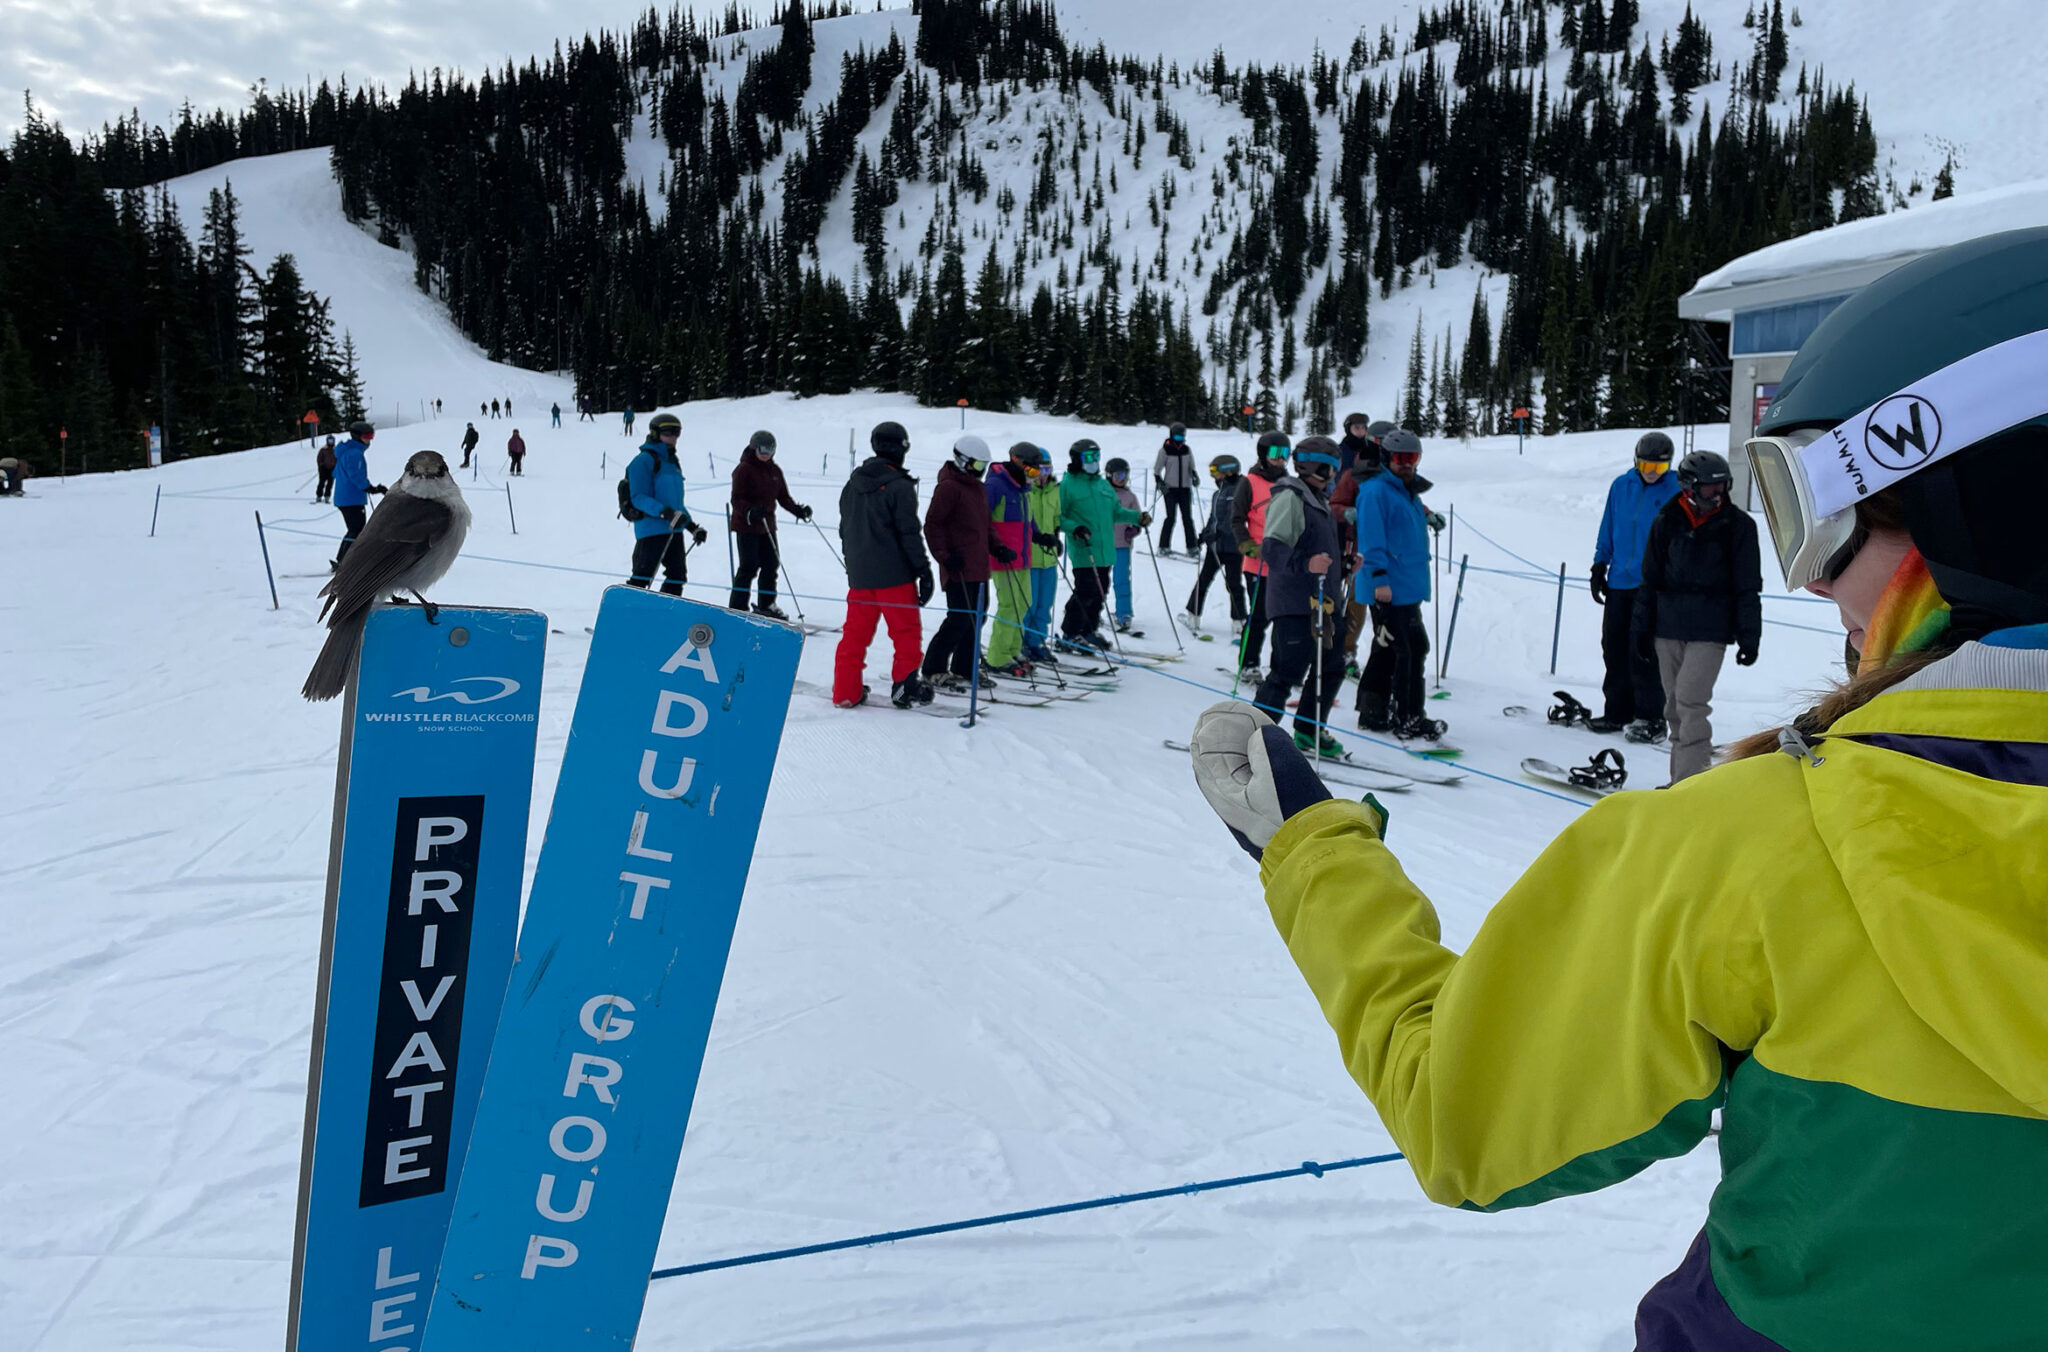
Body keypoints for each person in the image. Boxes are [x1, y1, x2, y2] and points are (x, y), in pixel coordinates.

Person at [1191, 226, 2048, 1352]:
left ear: (1972, 507)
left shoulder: (1755, 844)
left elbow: (1467, 1116)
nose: (1811, 581)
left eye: (1815, 516)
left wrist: (1309, 853)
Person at [1633, 450, 1762, 783]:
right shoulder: (1667, 520)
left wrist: (1750, 635)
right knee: (1674, 708)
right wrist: (1641, 629)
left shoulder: (1739, 526)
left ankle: (1689, 786)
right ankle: (1684, 781)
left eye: (1722, 487)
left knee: (1691, 703)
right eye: (1709, 488)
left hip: (1710, 630)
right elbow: (1650, 579)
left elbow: (1747, 586)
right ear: (1689, 487)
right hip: (1668, 628)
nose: (1717, 494)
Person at [1250, 436, 1352, 757]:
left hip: (1324, 601)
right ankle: (1254, 738)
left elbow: (1316, 550)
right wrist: (1307, 563)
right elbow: (1273, 550)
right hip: (1295, 603)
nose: (1335, 474)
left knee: (1333, 666)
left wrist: (1345, 565)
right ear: (1314, 466)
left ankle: (1309, 730)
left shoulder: (1318, 500)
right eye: (1331, 467)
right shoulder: (1290, 497)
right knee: (1287, 672)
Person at [834, 421, 935, 709]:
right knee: (905, 634)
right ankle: (904, 688)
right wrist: (923, 570)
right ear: (899, 449)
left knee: (854, 636)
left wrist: (852, 564)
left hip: (861, 575)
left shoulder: (852, 484)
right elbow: (909, 533)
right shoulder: (899, 486)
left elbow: (845, 529)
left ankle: (845, 691)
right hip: (895, 577)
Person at [1589, 432, 1684, 738]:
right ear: (1636, 461)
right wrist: (1599, 564)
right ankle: (1617, 712)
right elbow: (1609, 526)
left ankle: (1650, 718)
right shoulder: (1621, 486)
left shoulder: (1678, 491)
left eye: (1658, 467)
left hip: (1653, 585)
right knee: (1613, 647)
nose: (1651, 472)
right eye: (1646, 466)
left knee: (1643, 652)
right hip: (1619, 581)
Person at [1353, 429, 1444, 740]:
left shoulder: (1408, 492)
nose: (1407, 464)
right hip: (1388, 587)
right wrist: (1379, 578)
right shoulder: (1376, 491)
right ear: (1387, 459)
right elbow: (1371, 538)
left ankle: (1374, 710)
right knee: (1408, 649)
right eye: (1400, 458)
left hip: (1407, 585)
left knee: (1391, 649)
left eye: (1412, 458)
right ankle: (1408, 715)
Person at [921, 435, 1003, 691]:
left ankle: (964, 667)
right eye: (978, 466)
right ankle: (933, 668)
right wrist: (945, 556)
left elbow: (984, 525)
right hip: (958, 566)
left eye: (984, 467)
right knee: (959, 618)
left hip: (978, 566)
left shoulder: (977, 488)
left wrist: (997, 546)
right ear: (962, 461)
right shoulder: (948, 488)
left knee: (976, 617)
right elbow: (933, 525)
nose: (981, 472)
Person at [1058, 439, 1146, 653]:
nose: (1094, 462)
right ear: (1077, 459)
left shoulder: (1102, 484)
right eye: (1089, 457)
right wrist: (1075, 527)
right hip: (1084, 549)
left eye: (1097, 456)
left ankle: (1088, 629)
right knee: (1085, 591)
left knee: (1100, 592)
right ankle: (1070, 633)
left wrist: (1137, 517)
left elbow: (1116, 512)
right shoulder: (1068, 485)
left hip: (1105, 551)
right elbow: (1058, 516)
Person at [726, 429, 811, 619]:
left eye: (770, 450)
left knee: (771, 564)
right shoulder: (743, 469)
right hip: (747, 525)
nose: (766, 454)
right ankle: (737, 607)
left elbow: (783, 497)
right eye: (763, 449)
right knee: (749, 566)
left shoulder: (774, 471)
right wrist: (749, 511)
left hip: (767, 526)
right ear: (754, 448)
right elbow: (737, 499)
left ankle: (767, 604)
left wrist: (798, 510)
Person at [1231, 431, 1291, 680]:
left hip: (1283, 564)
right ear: (1263, 455)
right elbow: (1236, 519)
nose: (1281, 460)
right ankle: (1249, 663)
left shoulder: (1289, 483)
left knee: (1283, 617)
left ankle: (1281, 666)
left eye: (1285, 454)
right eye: (1276, 454)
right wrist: (1247, 544)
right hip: (1258, 562)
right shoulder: (1250, 482)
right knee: (1259, 616)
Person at [624, 411, 705, 595]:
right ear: (655, 433)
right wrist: (665, 513)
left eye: (677, 432)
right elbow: (638, 497)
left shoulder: (672, 463)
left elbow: (677, 503)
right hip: (651, 528)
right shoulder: (643, 461)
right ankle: (627, 617)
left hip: (673, 529)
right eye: (668, 432)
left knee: (677, 576)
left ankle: (664, 615)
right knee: (642, 577)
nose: (674, 437)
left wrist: (692, 527)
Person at [1329, 420, 1389, 668]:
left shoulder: (1395, 471)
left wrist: (1425, 514)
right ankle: (1344, 651)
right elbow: (1334, 505)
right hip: (1357, 547)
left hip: (1388, 550)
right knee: (1356, 601)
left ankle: (1386, 655)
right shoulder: (1356, 471)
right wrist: (1348, 513)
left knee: (1385, 605)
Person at [983, 443, 1043, 677]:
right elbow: (982, 519)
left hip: (1023, 557)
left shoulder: (1022, 487)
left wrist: (1039, 535)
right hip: (1003, 558)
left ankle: (1012, 649)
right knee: (1009, 606)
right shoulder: (996, 485)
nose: (1033, 474)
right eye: (1031, 469)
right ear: (1017, 461)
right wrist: (995, 547)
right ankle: (997, 658)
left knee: (1024, 603)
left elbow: (1028, 520)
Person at [1184, 454, 1247, 635]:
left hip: (1234, 547)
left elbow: (1235, 520)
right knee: (1204, 579)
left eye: (1215, 471)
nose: (1213, 476)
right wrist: (1204, 534)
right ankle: (1193, 614)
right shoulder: (1217, 494)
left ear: (1228, 471)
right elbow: (1214, 518)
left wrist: (1218, 532)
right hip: (1216, 547)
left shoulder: (1240, 491)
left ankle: (1238, 619)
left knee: (1233, 583)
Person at [1022, 447, 1064, 662]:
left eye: (1047, 469)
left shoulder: (1054, 491)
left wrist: (1057, 538)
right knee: (1028, 603)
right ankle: (1020, 641)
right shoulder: (1026, 491)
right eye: (1040, 469)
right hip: (1029, 558)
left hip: (1048, 558)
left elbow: (1057, 518)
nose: (1043, 474)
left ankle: (1036, 641)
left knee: (1044, 604)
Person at [330, 421, 387, 568]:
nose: (370, 440)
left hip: (347, 498)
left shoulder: (347, 452)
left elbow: (337, 473)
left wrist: (369, 488)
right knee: (357, 530)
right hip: (351, 499)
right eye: (367, 436)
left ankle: (343, 560)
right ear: (357, 436)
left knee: (355, 529)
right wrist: (369, 488)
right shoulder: (354, 454)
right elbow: (355, 475)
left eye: (371, 435)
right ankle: (344, 562)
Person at [1106, 457, 1143, 632]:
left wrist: (1135, 528)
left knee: (1121, 580)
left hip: (1121, 544)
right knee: (1098, 580)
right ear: (1109, 475)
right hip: (1102, 544)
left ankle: (1124, 613)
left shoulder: (1129, 496)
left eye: (1125, 475)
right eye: (1118, 475)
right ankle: (1092, 612)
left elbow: (1137, 516)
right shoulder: (1103, 492)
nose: (1122, 478)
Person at [1152, 423, 1199, 553]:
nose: (1180, 440)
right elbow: (1157, 470)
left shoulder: (1186, 450)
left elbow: (1192, 467)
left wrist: (1194, 476)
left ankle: (1192, 547)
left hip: (1184, 489)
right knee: (1170, 517)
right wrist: (1160, 482)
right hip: (1170, 489)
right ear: (1172, 436)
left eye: (1182, 437)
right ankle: (1163, 546)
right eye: (1177, 437)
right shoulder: (1165, 450)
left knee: (1187, 518)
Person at [315, 435, 337, 503]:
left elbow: (338, 459)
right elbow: (319, 459)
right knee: (321, 483)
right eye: (329, 441)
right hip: (324, 469)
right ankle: (319, 496)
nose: (330, 442)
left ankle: (327, 496)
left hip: (332, 469)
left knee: (330, 484)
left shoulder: (335, 449)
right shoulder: (323, 449)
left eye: (332, 441)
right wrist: (321, 466)